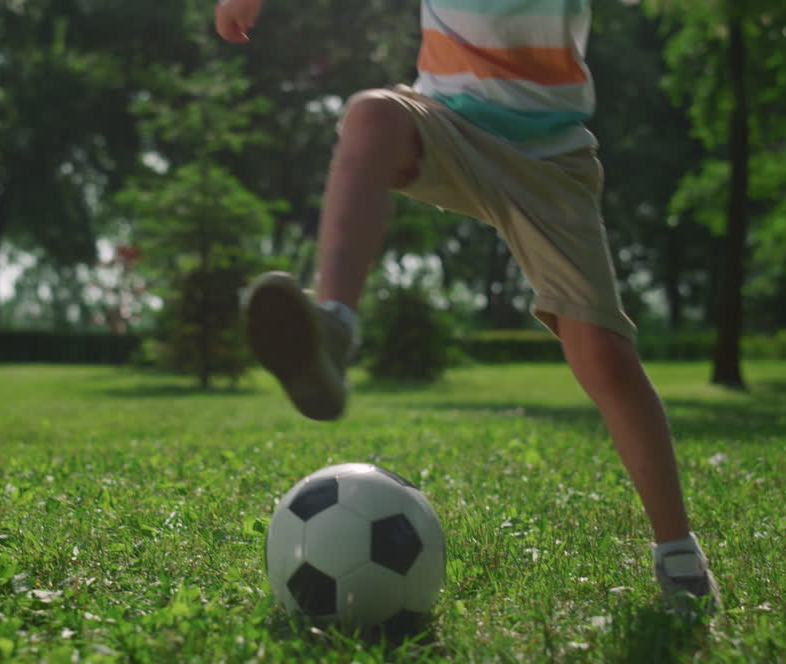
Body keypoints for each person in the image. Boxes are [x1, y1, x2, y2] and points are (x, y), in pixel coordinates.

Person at [215, 0, 720, 614]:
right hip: (443, 122)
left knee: (604, 358)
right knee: (372, 115)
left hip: (550, 159)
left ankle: (678, 554)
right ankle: (335, 330)